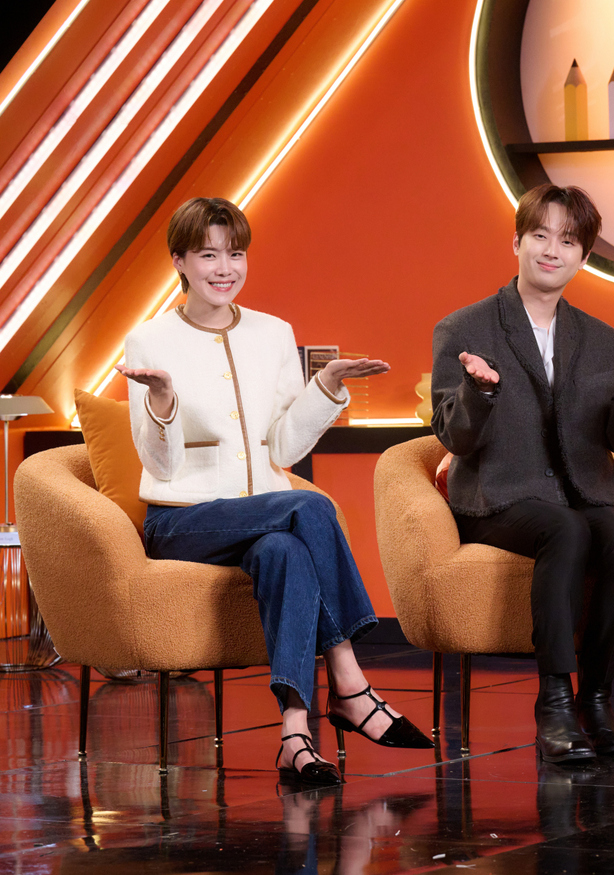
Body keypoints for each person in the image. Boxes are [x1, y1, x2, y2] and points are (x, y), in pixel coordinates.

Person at [120, 197, 432, 787]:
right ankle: (350, 680)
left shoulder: (273, 333)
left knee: (285, 550)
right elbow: (160, 466)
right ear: (179, 261)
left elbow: (284, 449)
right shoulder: (149, 340)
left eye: (235, 254)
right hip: (183, 522)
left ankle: (295, 733)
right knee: (308, 503)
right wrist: (161, 402)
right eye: (207, 255)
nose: (224, 268)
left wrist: (326, 386)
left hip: (266, 521)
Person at [430, 184, 614, 763]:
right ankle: (554, 704)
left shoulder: (603, 341)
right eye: (540, 236)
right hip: (498, 499)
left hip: (580, 493)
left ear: (584, 256)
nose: (552, 250)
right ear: (517, 243)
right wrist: (479, 391)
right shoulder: (464, 329)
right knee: (565, 530)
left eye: (568, 241)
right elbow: (454, 437)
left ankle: (596, 701)